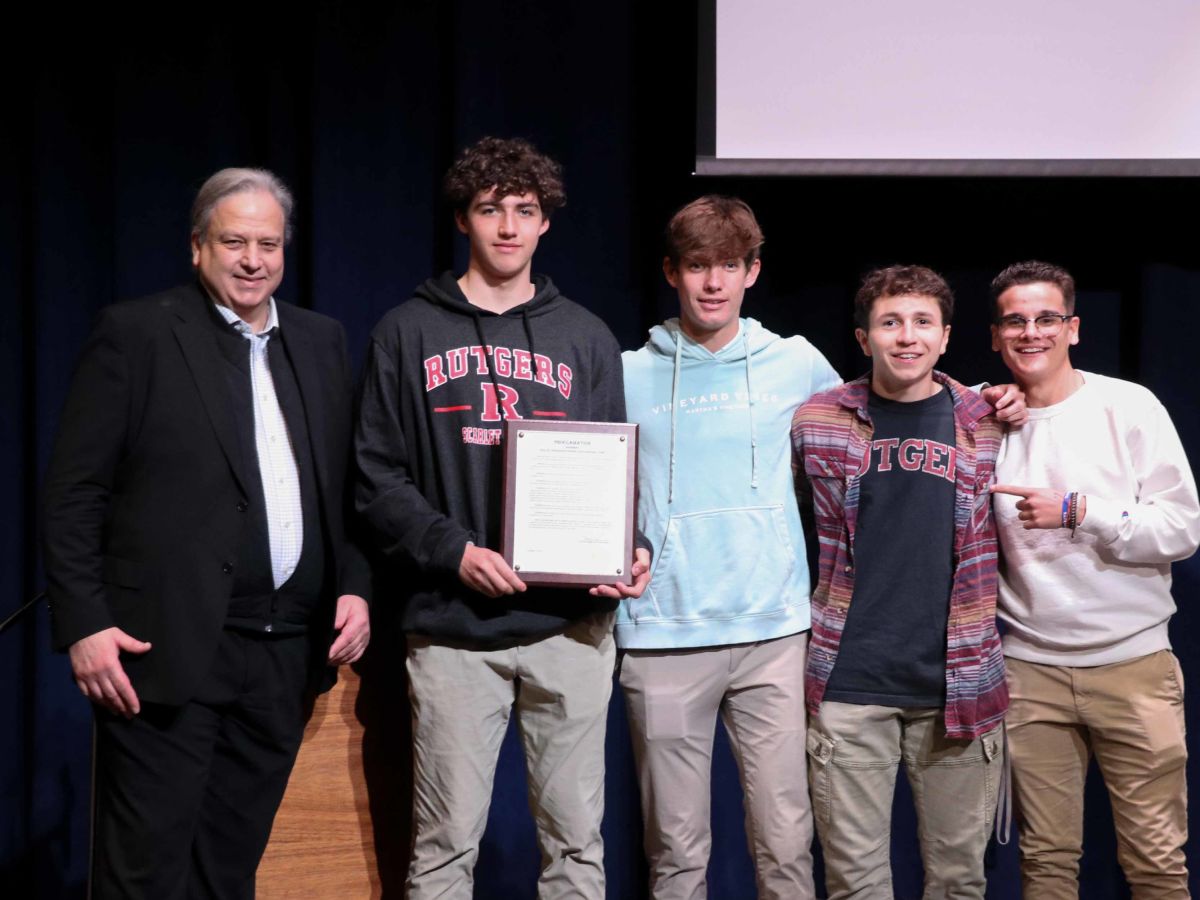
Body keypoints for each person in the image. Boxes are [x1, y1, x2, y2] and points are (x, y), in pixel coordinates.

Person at [42, 167, 371, 898]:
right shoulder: (137, 334)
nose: (253, 259)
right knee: (145, 877)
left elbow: (342, 492)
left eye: (269, 243)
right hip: (165, 649)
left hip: (284, 654)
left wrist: (354, 587)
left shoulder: (320, 341)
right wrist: (86, 623)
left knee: (228, 873)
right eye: (234, 241)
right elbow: (73, 493)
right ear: (198, 248)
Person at [355, 136, 649, 899]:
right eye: (491, 210)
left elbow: (610, 468)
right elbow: (374, 476)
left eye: (525, 210)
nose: (509, 227)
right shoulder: (405, 331)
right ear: (464, 219)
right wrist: (454, 551)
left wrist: (630, 548)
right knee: (446, 846)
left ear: (546, 221)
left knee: (578, 848)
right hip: (454, 629)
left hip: (569, 630)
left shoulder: (584, 335)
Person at [617, 195, 839, 899]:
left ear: (752, 271)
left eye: (729, 266)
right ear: (671, 273)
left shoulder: (796, 363)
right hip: (662, 635)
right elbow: (592, 485)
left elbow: (882, 412)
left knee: (785, 843)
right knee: (677, 855)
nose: (713, 282)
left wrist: (977, 400)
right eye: (697, 266)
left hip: (773, 632)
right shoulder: (628, 372)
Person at [792, 265, 1010, 900]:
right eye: (890, 323)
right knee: (856, 882)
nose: (906, 337)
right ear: (864, 339)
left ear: (945, 337)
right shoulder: (818, 421)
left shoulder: (989, 421)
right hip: (851, 685)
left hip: (960, 685)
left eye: (922, 323)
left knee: (958, 880)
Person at [988, 260, 1200, 899]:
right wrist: (985, 401)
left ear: (1073, 328)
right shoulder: (983, 416)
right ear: (996, 336)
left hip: (1132, 668)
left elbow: (1181, 529)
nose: (1032, 333)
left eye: (1046, 318)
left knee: (1156, 863)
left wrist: (1080, 512)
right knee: (1046, 863)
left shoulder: (1127, 405)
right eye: (1015, 321)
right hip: (1030, 673)